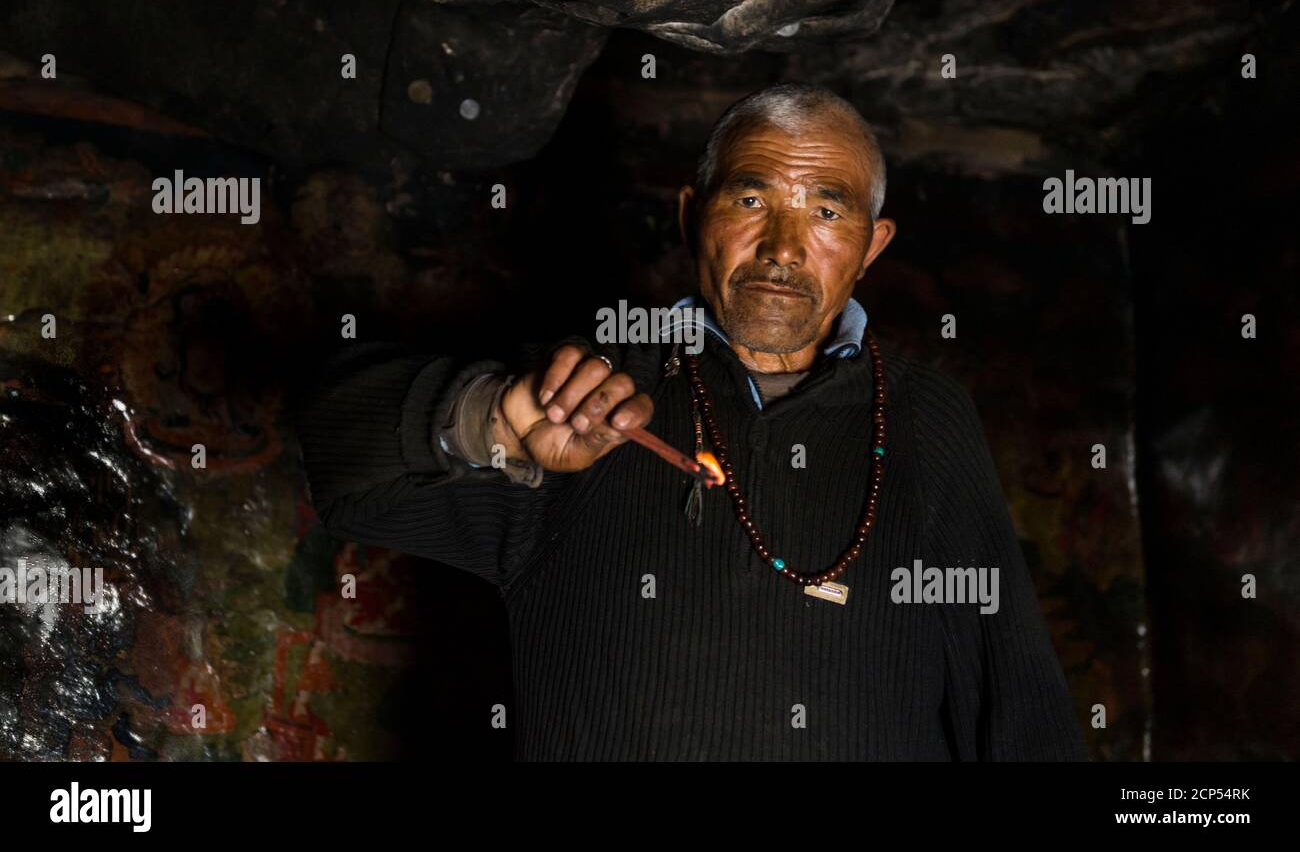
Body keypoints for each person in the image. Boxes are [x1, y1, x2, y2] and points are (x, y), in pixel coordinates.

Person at [296, 83, 1087, 761]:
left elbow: (1021, 708)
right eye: (751, 199)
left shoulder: (925, 421)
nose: (782, 246)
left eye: (826, 210)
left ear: (871, 245)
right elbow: (338, 459)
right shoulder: (595, 388)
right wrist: (493, 418)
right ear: (689, 215)